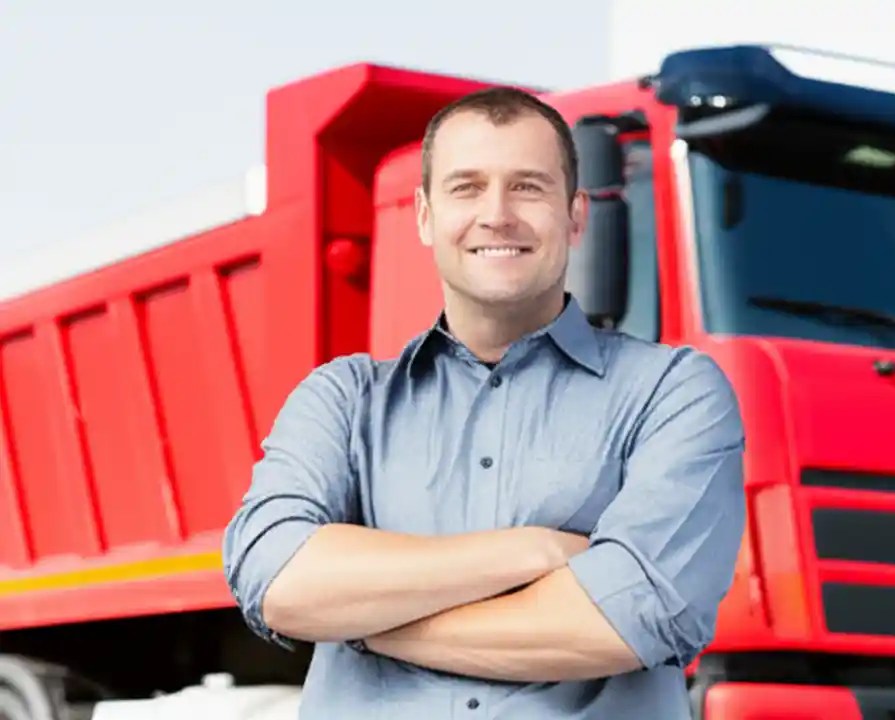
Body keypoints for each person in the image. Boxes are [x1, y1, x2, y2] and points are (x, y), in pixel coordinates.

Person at [221, 86, 747, 719]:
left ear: (577, 215)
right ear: (424, 215)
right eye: (466, 187)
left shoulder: (673, 392)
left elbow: (627, 618)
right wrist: (533, 552)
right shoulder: (343, 400)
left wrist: (362, 624)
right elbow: (276, 579)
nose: (497, 214)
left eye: (528, 187)